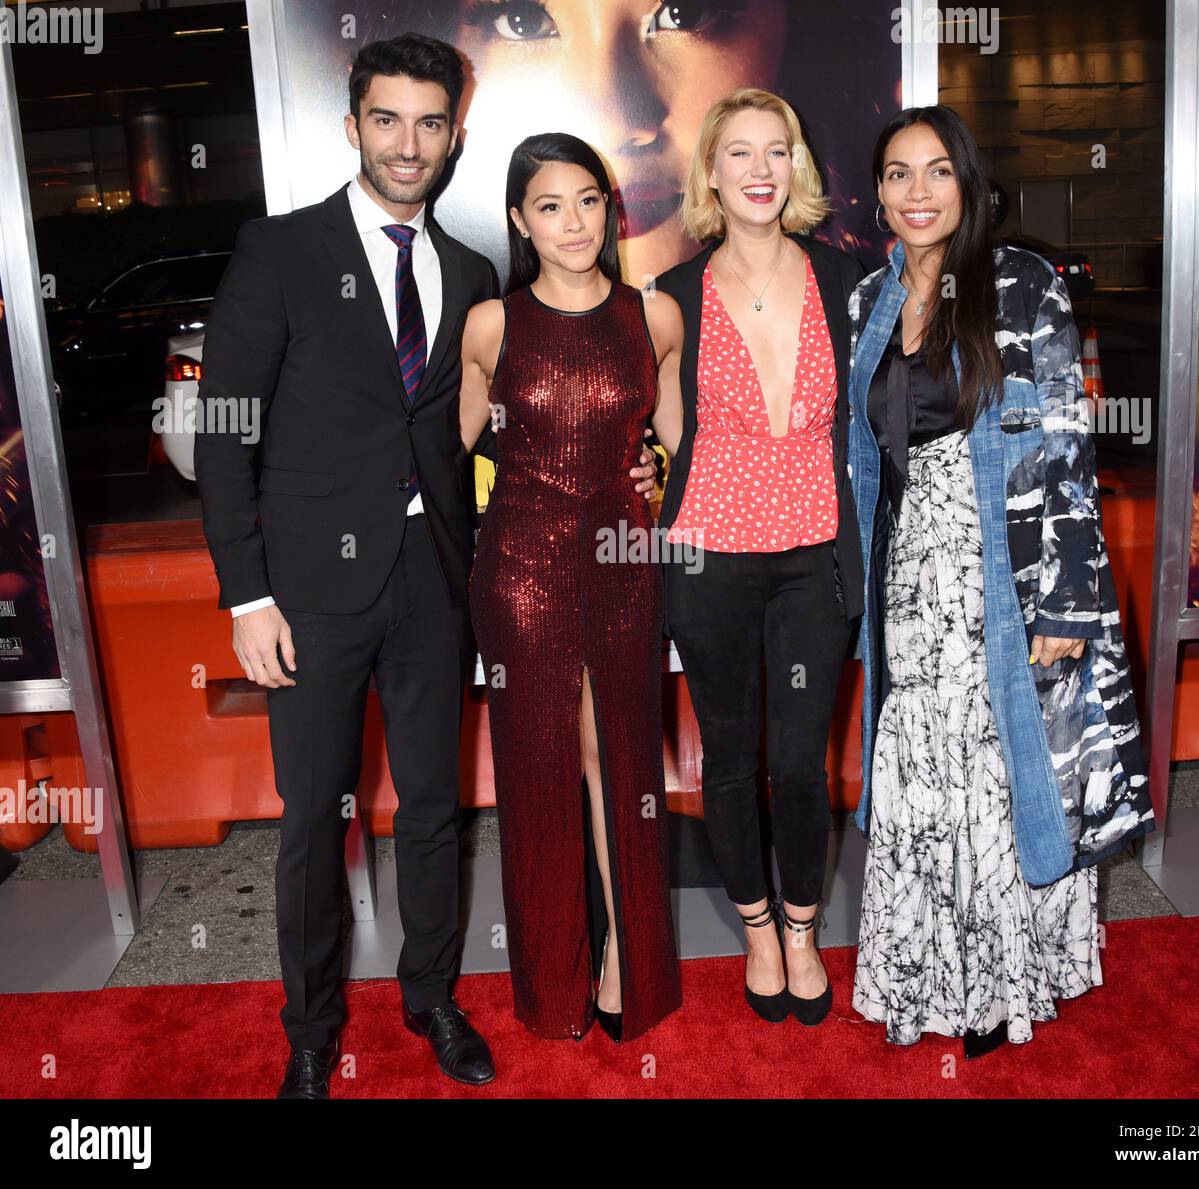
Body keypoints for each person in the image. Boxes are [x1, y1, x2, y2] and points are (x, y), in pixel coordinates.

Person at [193, 33, 659, 1096]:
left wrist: (623, 442)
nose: (409, 143)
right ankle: (311, 1032)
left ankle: (431, 996)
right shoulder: (281, 251)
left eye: (431, 122)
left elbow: (501, 426)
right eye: (388, 120)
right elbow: (226, 431)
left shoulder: (470, 271)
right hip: (306, 588)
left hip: (438, 577)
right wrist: (247, 591)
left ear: (455, 135)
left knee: (436, 804)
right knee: (316, 814)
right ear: (352, 125)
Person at [846, 105, 1154, 1054]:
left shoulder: (1024, 283)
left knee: (1001, 765)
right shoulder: (870, 297)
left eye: (937, 172)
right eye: (897, 174)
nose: (918, 192)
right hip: (905, 567)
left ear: (970, 184)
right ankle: (926, 972)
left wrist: (1064, 600)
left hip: (1006, 560)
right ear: (879, 193)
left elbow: (1063, 441)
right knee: (922, 763)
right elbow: (859, 453)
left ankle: (1001, 982)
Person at [459, 133, 685, 1042]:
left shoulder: (653, 317)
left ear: (611, 208)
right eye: (549, 206)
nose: (573, 222)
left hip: (623, 564)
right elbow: (445, 452)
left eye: (588, 200)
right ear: (520, 220)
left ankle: (628, 957)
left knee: (619, 758)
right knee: (542, 763)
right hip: (519, 568)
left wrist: (660, 478)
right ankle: (558, 974)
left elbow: (682, 446)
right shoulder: (493, 324)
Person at [654, 88, 865, 1027]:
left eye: (775, 151)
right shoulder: (670, 297)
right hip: (710, 555)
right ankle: (756, 932)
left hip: (814, 550)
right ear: (710, 172)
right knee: (730, 757)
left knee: (802, 760)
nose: (758, 171)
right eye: (737, 153)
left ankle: (806, 928)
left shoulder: (844, 283)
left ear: (797, 166)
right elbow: (661, 434)